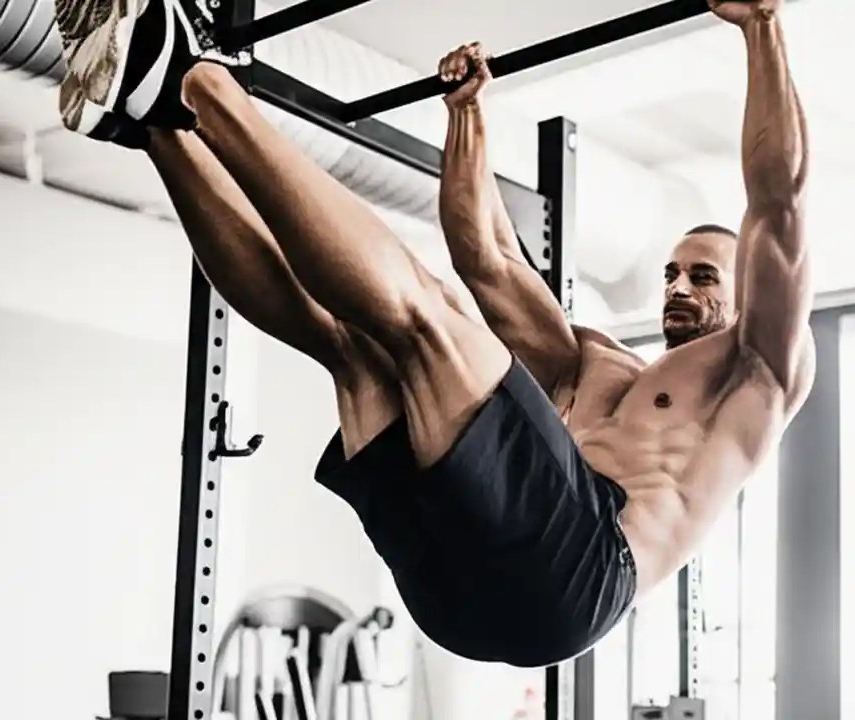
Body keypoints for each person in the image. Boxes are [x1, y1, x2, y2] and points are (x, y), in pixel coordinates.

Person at [50, 0, 811, 668]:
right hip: (460, 597)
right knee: (353, 351)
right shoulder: (592, 364)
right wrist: (467, 117)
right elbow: (484, 256)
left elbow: (778, 207)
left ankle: (190, 73)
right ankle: (157, 130)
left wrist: (763, 28)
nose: (679, 285)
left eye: (704, 276)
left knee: (427, 318)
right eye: (674, 272)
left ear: (747, 291)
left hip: (580, 579)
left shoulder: (757, 378)